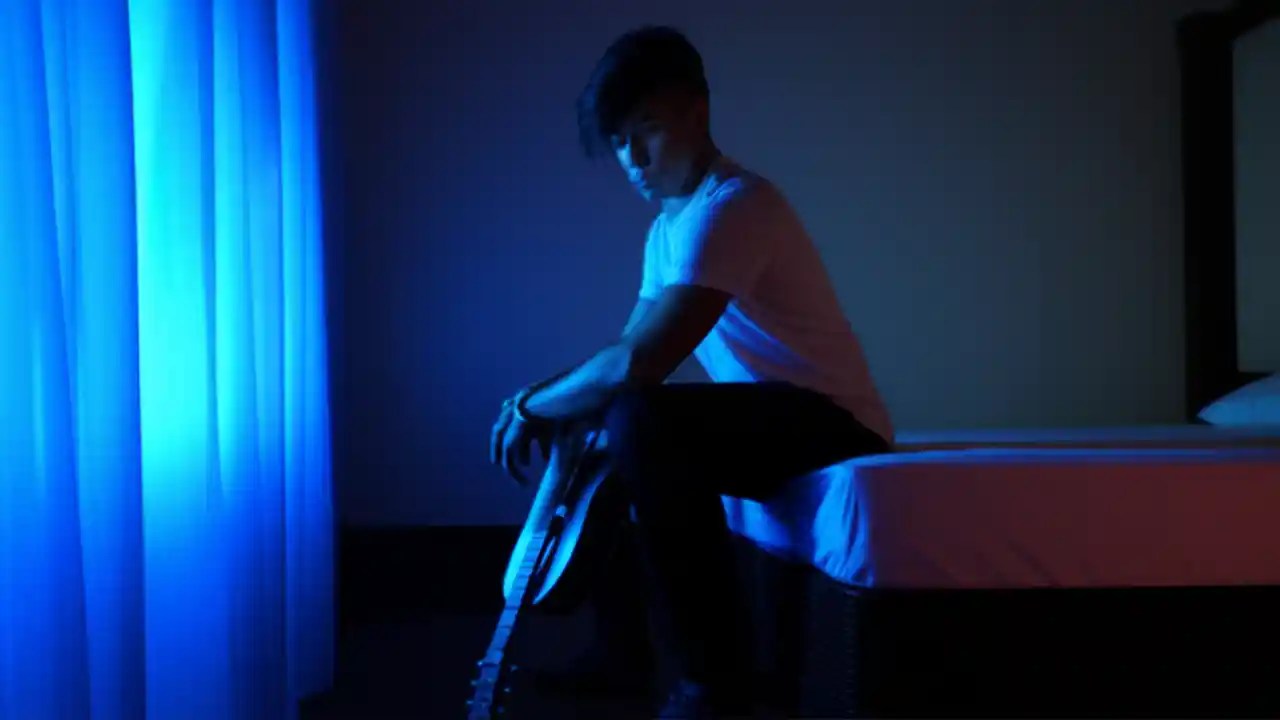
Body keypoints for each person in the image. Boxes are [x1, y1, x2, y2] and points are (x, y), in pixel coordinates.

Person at [489, 25, 894, 718]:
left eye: (646, 129)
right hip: (774, 414)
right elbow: (627, 354)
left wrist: (530, 404)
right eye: (619, 141)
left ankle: (714, 682)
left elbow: (642, 363)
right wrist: (558, 404)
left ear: (696, 113)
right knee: (613, 422)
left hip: (834, 423)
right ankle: (624, 659)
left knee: (639, 416)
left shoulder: (736, 206)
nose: (633, 157)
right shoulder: (668, 229)